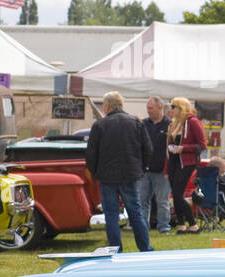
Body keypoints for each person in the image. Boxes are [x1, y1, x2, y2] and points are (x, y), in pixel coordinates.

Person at [85, 91, 153, 252]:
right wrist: (141, 169)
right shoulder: (136, 122)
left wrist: (95, 173)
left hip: (107, 177)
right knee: (135, 212)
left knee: (111, 216)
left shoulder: (100, 125)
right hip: (130, 174)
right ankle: (145, 248)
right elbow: (148, 149)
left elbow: (91, 154)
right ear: (121, 105)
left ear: (107, 106)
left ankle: (115, 249)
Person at [166, 97, 206, 234]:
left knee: (177, 195)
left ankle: (193, 224)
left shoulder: (193, 122)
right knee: (175, 194)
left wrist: (183, 148)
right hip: (173, 162)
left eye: (173, 107)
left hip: (187, 162)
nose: (171, 110)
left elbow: (202, 145)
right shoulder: (174, 123)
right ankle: (182, 225)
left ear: (181, 108)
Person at [137, 96, 172, 234]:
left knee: (162, 201)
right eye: (147, 108)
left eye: (150, 108)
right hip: (145, 170)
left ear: (159, 108)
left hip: (162, 171)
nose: (148, 111)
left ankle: (164, 228)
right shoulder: (143, 124)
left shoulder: (169, 125)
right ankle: (143, 227)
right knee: (142, 200)